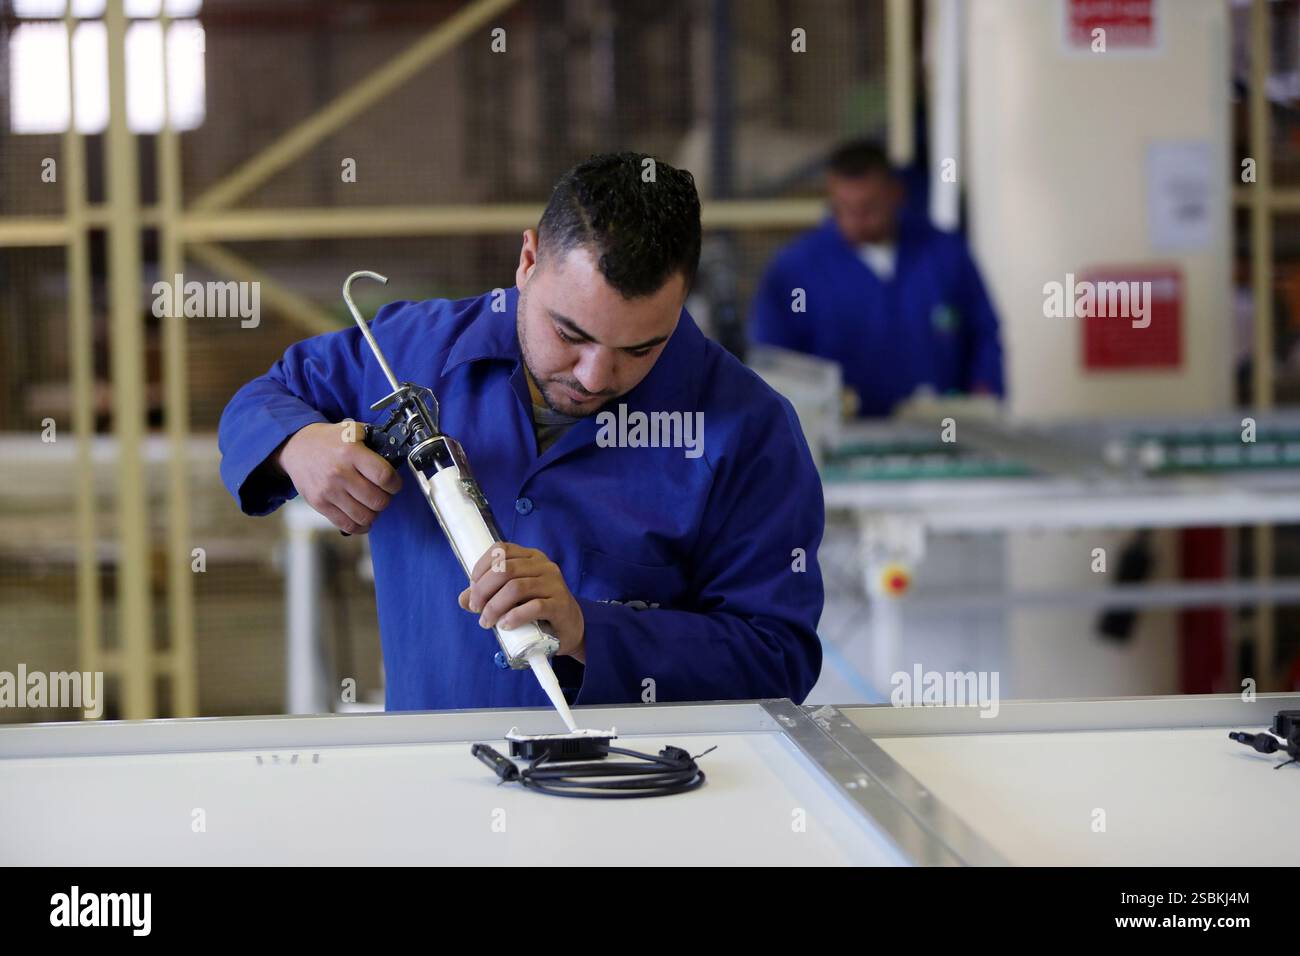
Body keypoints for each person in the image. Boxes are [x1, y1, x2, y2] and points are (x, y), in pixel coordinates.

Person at [218, 152, 824, 711]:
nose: (594, 377)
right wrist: (296, 446)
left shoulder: (749, 429)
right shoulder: (412, 349)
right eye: (570, 335)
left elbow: (778, 659)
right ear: (528, 262)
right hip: (431, 784)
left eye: (640, 349)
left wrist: (590, 631)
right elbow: (263, 398)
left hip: (632, 796)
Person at [750, 140, 1004, 417]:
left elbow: (984, 333)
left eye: (869, 207)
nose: (858, 219)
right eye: (845, 209)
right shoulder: (794, 270)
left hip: (944, 432)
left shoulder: (944, 253)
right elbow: (773, 363)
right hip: (842, 441)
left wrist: (983, 396)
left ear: (896, 194)